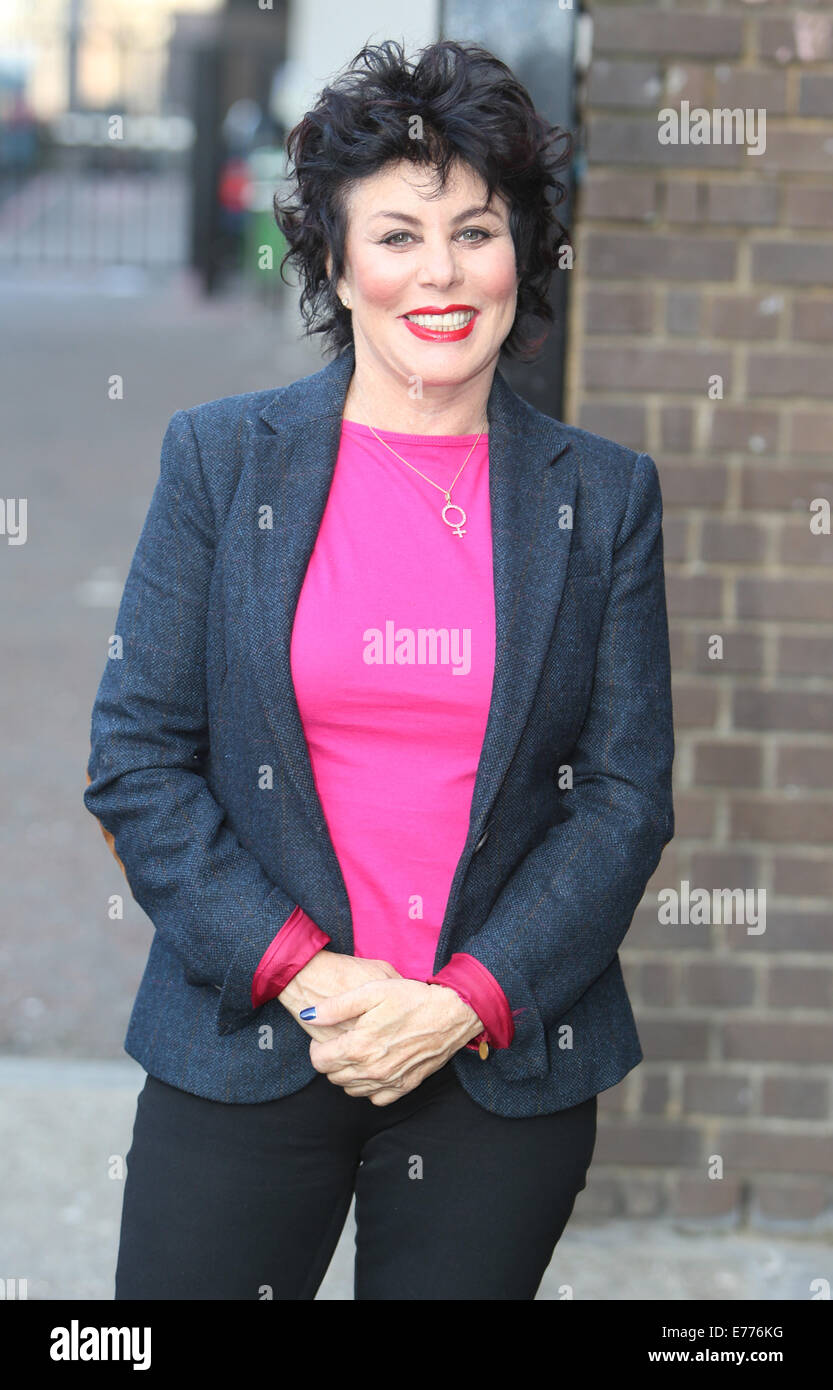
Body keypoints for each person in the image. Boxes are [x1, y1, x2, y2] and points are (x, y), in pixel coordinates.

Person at [83, 38, 674, 1301]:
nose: (442, 273)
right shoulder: (223, 461)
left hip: (494, 1065)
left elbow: (622, 799)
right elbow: (138, 760)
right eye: (397, 235)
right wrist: (312, 972)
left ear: (522, 250)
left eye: (476, 230)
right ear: (337, 263)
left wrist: (458, 999)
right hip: (249, 1035)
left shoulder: (605, 498)